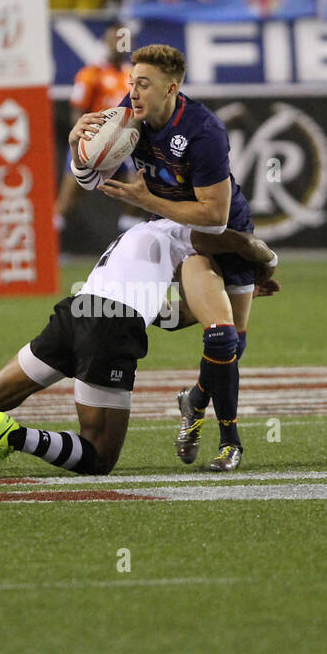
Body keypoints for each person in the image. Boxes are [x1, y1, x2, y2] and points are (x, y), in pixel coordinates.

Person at [0, 218, 275, 480]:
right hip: (110, 328)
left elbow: (168, 317)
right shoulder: (186, 231)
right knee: (100, 457)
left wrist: (232, 300)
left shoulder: (138, 243)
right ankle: (16, 436)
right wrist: (263, 265)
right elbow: (239, 242)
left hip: (76, 312)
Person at [72, 44, 261, 471]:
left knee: (234, 346)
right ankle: (231, 442)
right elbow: (88, 176)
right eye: (131, 83)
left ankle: (194, 401)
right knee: (221, 337)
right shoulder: (128, 115)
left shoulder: (203, 131)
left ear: (171, 88)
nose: (133, 93)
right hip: (185, 241)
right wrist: (76, 148)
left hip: (226, 237)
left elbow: (213, 216)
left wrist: (147, 199)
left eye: (144, 84)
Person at [55, 23, 138, 235]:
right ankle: (47, 250)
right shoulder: (90, 74)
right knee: (67, 201)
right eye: (115, 39)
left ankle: (128, 246)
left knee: (134, 197)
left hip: (120, 145)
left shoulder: (133, 76)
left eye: (124, 40)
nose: (120, 45)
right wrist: (87, 143)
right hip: (92, 144)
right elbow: (77, 112)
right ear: (105, 42)